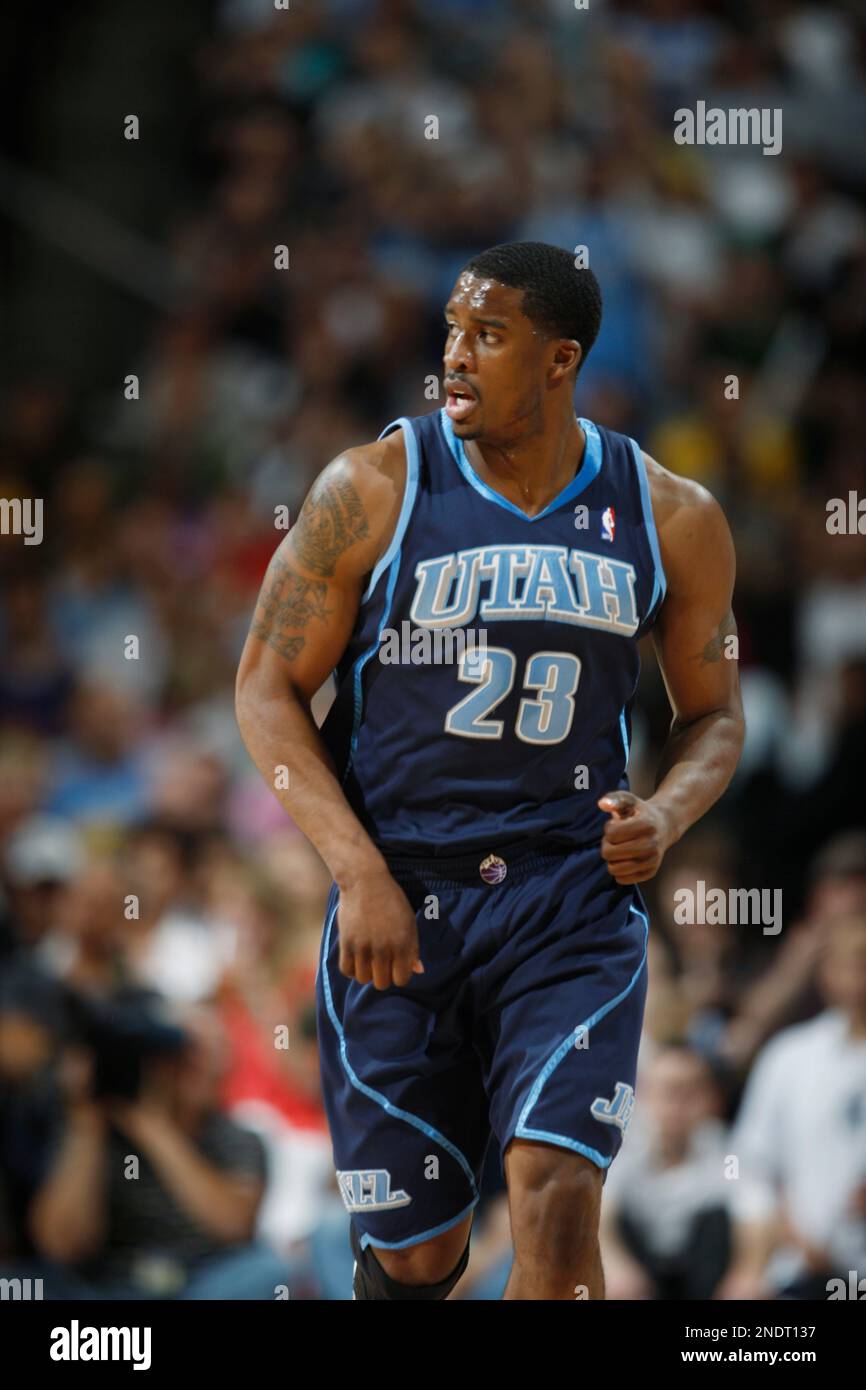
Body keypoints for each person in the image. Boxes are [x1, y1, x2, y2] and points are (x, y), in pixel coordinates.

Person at [235, 240, 745, 1300]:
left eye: (487, 336)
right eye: (451, 334)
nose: (454, 359)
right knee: (416, 1254)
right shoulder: (371, 485)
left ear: (559, 360)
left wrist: (665, 810)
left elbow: (714, 719)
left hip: (568, 896)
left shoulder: (670, 514)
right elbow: (262, 690)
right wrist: (355, 870)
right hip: (403, 895)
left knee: (555, 1196)